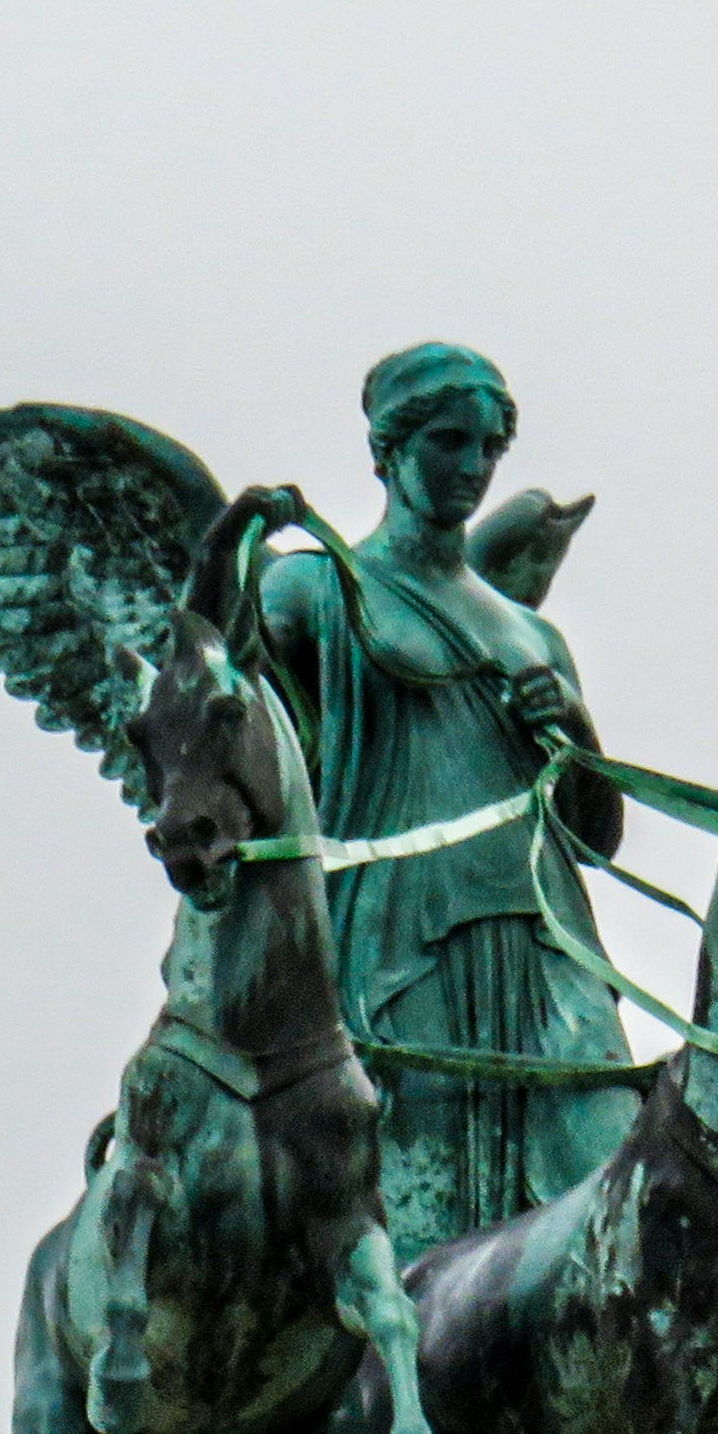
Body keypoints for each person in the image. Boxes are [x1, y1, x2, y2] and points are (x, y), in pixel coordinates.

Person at [253, 344, 639, 1256]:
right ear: (389, 450)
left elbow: (597, 837)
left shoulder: (531, 631)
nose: (470, 468)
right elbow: (225, 716)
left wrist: (577, 732)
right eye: (447, 441)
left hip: (547, 945)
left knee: (615, 1195)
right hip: (399, 943)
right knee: (417, 1226)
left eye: (487, 449)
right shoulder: (316, 588)